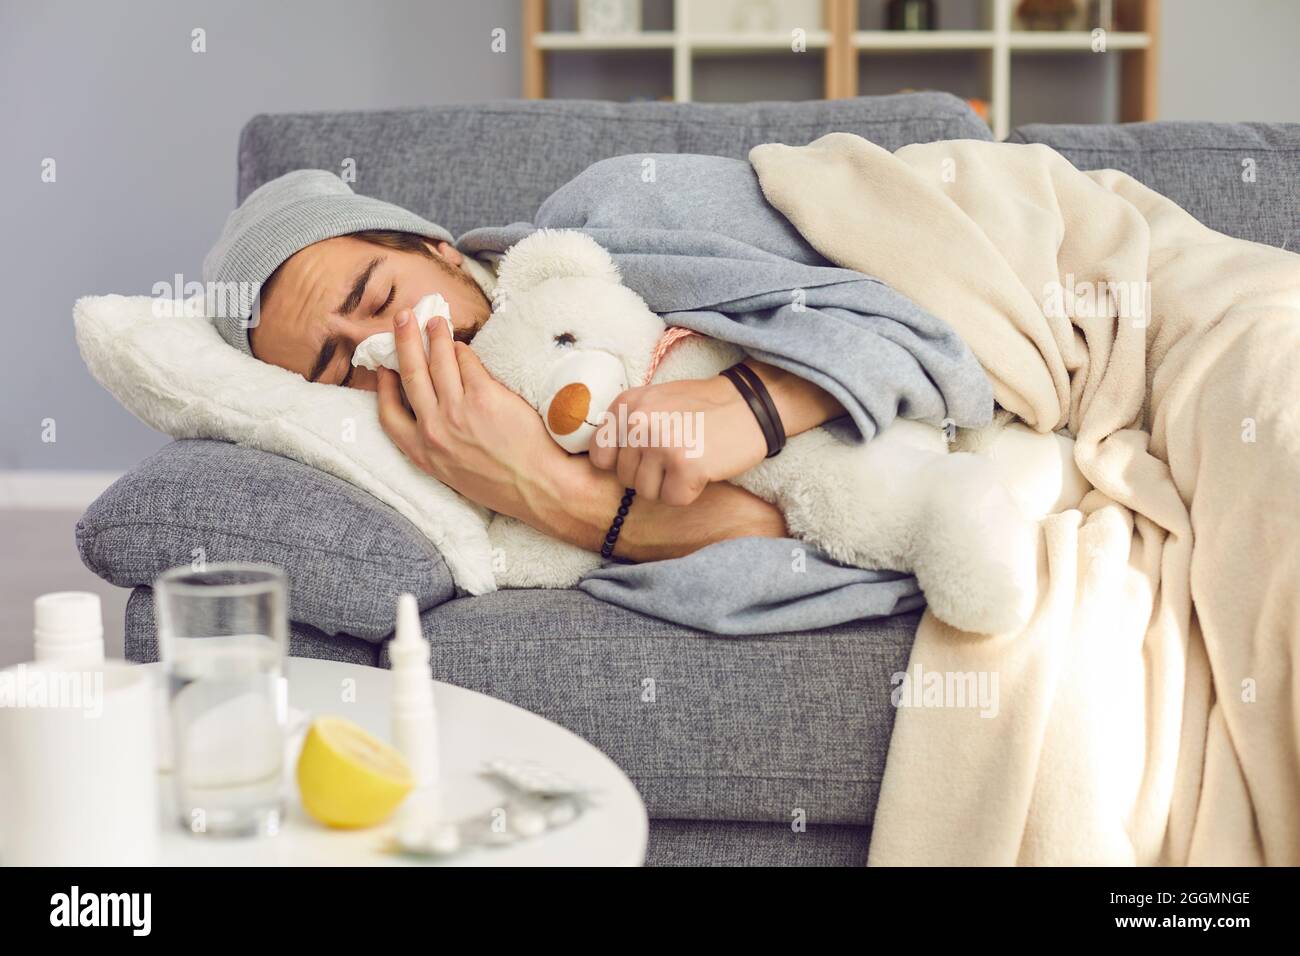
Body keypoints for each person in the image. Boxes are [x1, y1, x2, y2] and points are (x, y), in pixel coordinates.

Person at [202, 169, 950, 563]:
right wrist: (555, 494)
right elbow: (795, 552)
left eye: (382, 296)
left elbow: (929, 309)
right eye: (342, 366)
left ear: (437, 247)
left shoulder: (611, 217)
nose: (395, 343)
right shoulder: (448, 490)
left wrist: (757, 402)